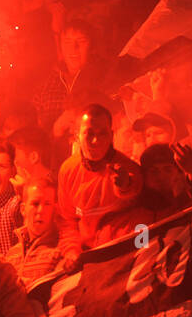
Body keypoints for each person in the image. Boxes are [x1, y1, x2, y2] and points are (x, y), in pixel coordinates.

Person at [55, 104, 143, 264]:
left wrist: (125, 186)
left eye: (102, 134)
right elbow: (67, 222)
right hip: (89, 257)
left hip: (125, 252)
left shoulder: (128, 168)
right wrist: (72, 252)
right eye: (89, 134)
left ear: (111, 135)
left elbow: (137, 197)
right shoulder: (67, 171)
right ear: (77, 136)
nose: (96, 141)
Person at [6, 175, 65, 287]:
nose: (41, 210)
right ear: (23, 209)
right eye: (35, 203)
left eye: (47, 204)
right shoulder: (11, 255)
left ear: (54, 209)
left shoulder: (61, 251)